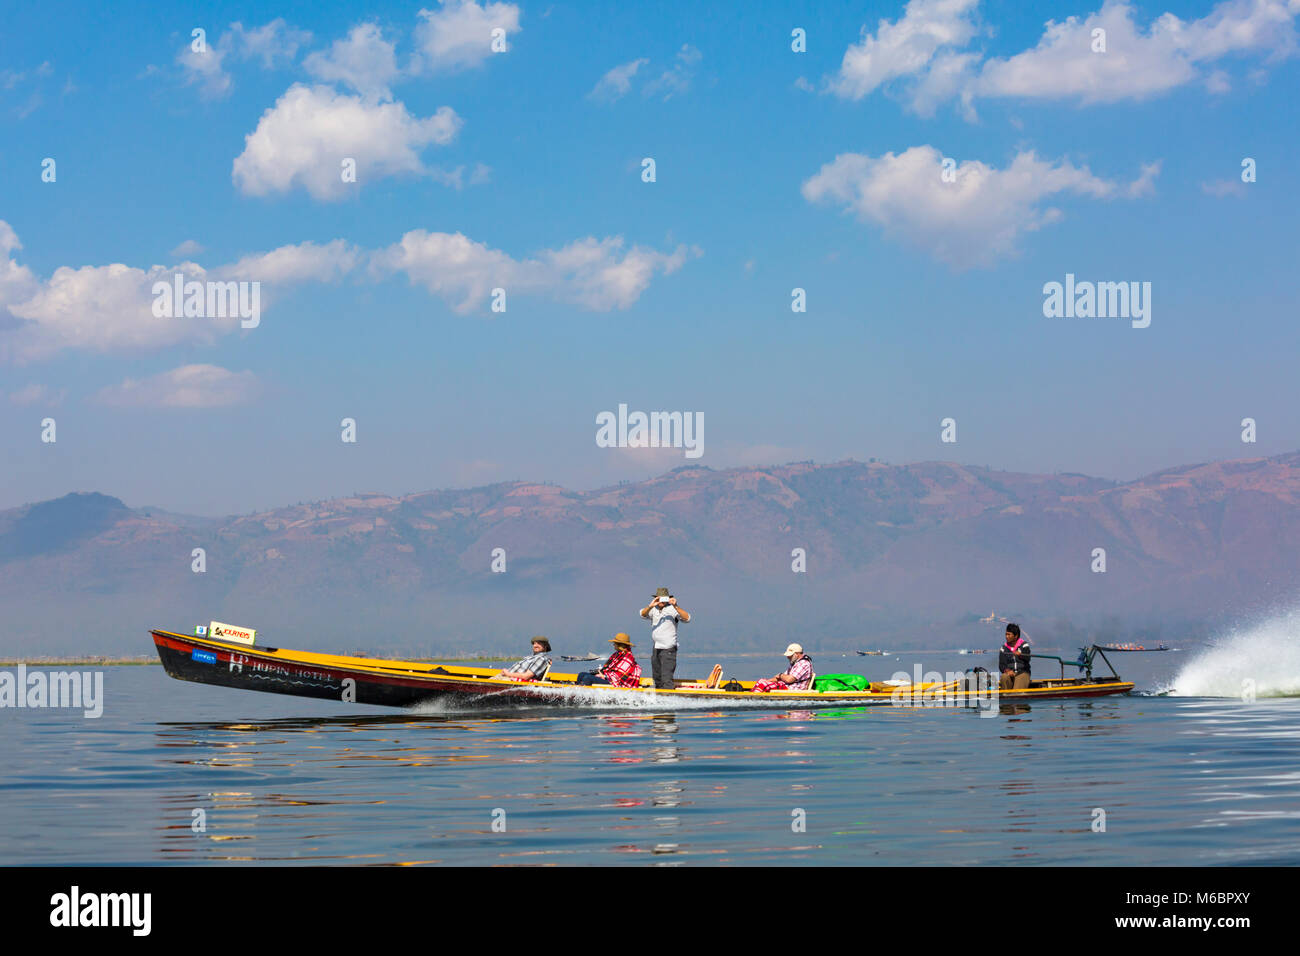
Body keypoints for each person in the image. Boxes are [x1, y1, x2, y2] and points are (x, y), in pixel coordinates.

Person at [640, 587, 690, 689]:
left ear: (667, 599)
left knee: (666, 677)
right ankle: (659, 697)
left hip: (668, 648)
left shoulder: (672, 609)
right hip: (656, 648)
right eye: (659, 599)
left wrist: (676, 606)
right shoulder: (653, 609)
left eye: (663, 599)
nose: (661, 601)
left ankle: (668, 697)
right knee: (656, 676)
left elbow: (687, 618)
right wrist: (650, 605)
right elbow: (642, 614)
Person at [575, 633, 642, 687]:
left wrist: (604, 676)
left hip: (616, 683)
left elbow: (619, 676)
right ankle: (576, 695)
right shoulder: (617, 654)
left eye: (615, 643)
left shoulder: (628, 657)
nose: (613, 645)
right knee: (581, 674)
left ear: (620, 645)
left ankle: (585, 698)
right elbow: (609, 669)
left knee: (587, 678)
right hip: (610, 678)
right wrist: (601, 672)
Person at [999, 624, 1031, 690]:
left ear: (1015, 636)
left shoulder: (1024, 645)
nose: (1006, 636)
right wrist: (1007, 670)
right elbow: (1001, 665)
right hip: (1010, 674)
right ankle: (1006, 697)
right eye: (1006, 634)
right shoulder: (1003, 648)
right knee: (1004, 677)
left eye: (1009, 634)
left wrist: (1021, 655)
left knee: (1017, 691)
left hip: (1022, 673)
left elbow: (1028, 658)